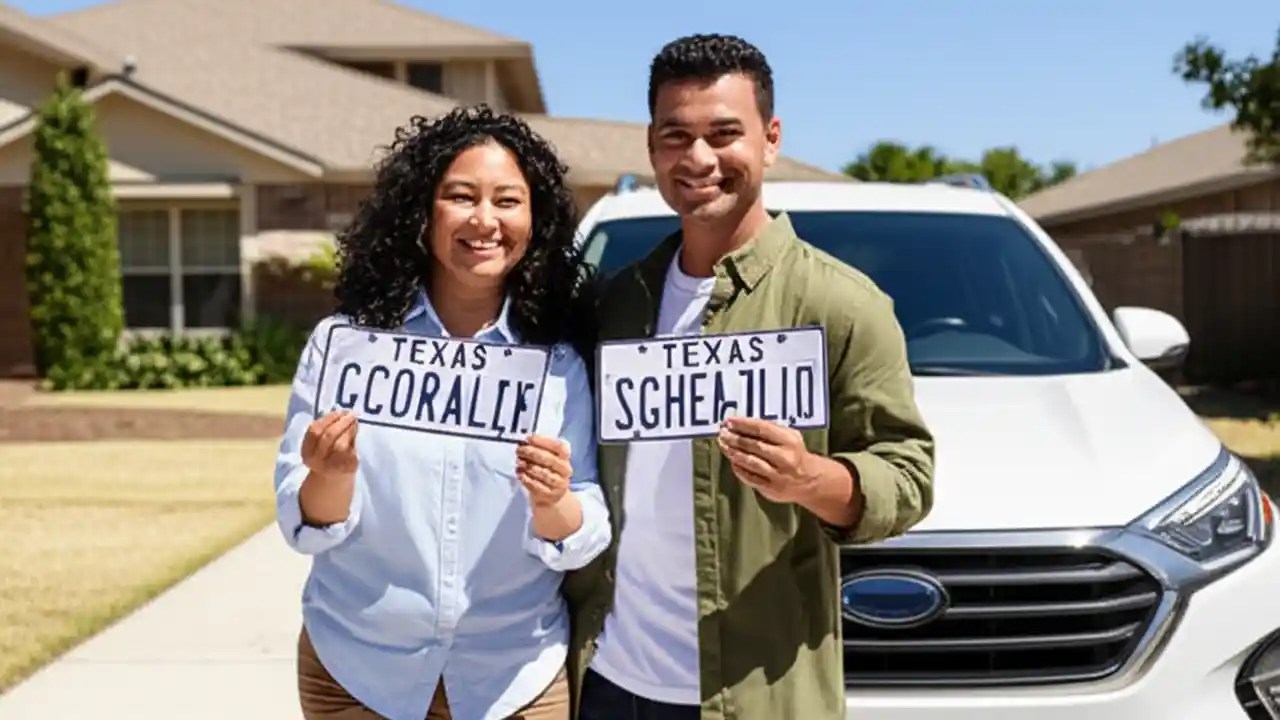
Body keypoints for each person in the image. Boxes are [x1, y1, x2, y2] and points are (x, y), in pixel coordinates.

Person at [563, 34, 936, 720]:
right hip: (608, 680)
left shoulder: (841, 305)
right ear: (652, 147)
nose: (698, 158)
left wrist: (811, 479)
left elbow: (908, 478)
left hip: (756, 694)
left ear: (770, 139)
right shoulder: (615, 304)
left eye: (723, 133)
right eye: (676, 135)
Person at [273, 105, 611, 720]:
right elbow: (301, 517)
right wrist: (331, 476)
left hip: (514, 676)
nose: (485, 220)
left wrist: (553, 501)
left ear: (534, 220)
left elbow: (585, 523)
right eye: (461, 196)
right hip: (357, 670)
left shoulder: (558, 364)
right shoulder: (344, 346)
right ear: (422, 214)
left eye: (508, 200)